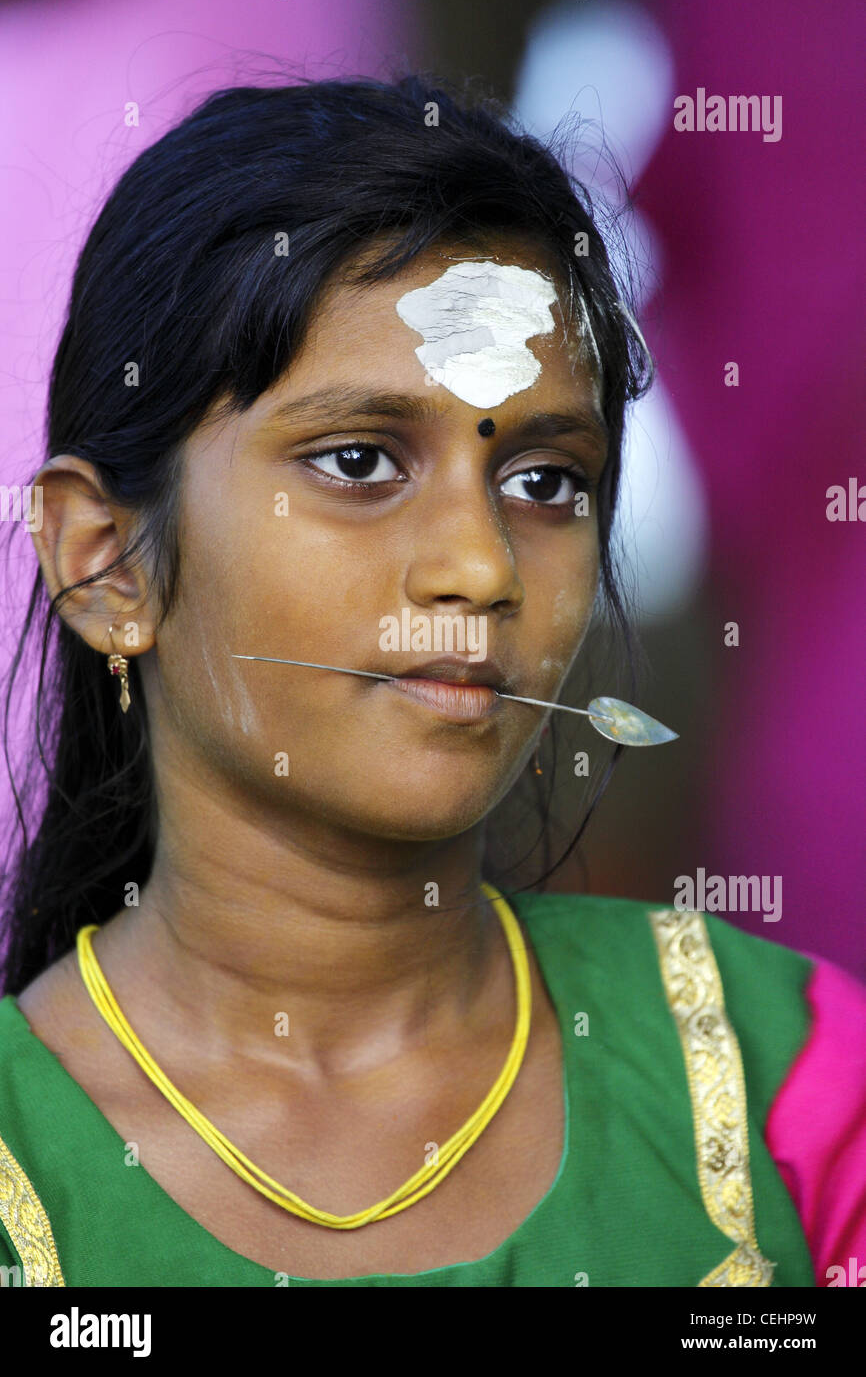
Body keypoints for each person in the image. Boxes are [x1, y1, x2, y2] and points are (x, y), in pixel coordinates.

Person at [0, 73, 863, 1290]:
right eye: (357, 459)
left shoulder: (786, 1072)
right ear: (106, 565)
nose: (480, 567)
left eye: (546, 481)